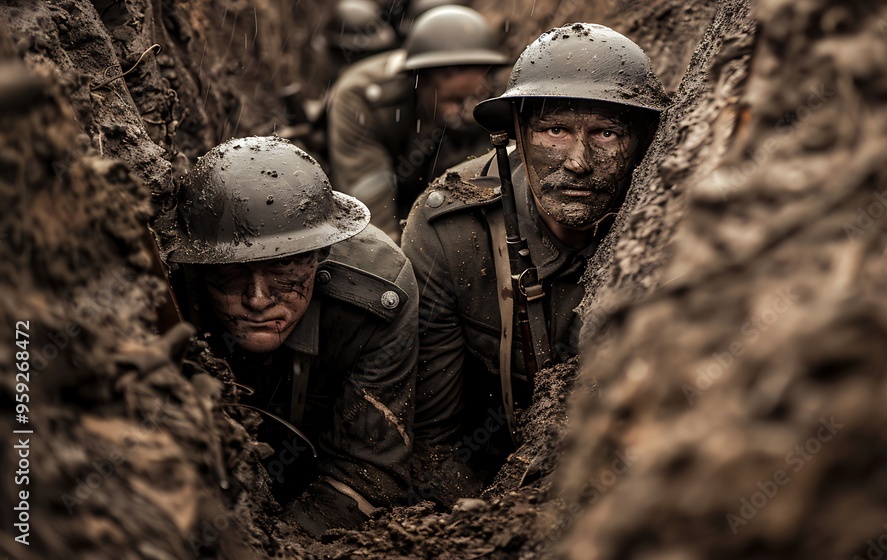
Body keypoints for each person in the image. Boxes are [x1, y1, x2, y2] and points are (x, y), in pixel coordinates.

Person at [401, 23, 669, 478]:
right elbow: (432, 440)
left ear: (642, 141)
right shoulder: (451, 229)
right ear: (518, 135)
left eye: (606, 134)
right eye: (555, 130)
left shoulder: (672, 227)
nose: (578, 162)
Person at [162, 135, 418, 535]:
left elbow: (371, 471)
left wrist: (281, 543)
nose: (258, 299)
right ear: (197, 268)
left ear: (322, 255)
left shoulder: (376, 296)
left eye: (284, 268)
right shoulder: (168, 290)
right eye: (230, 273)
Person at [327, 5, 507, 242]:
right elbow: (370, 208)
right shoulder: (363, 99)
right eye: (454, 101)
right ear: (421, 81)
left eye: (474, 99)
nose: (466, 112)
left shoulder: (502, 96)